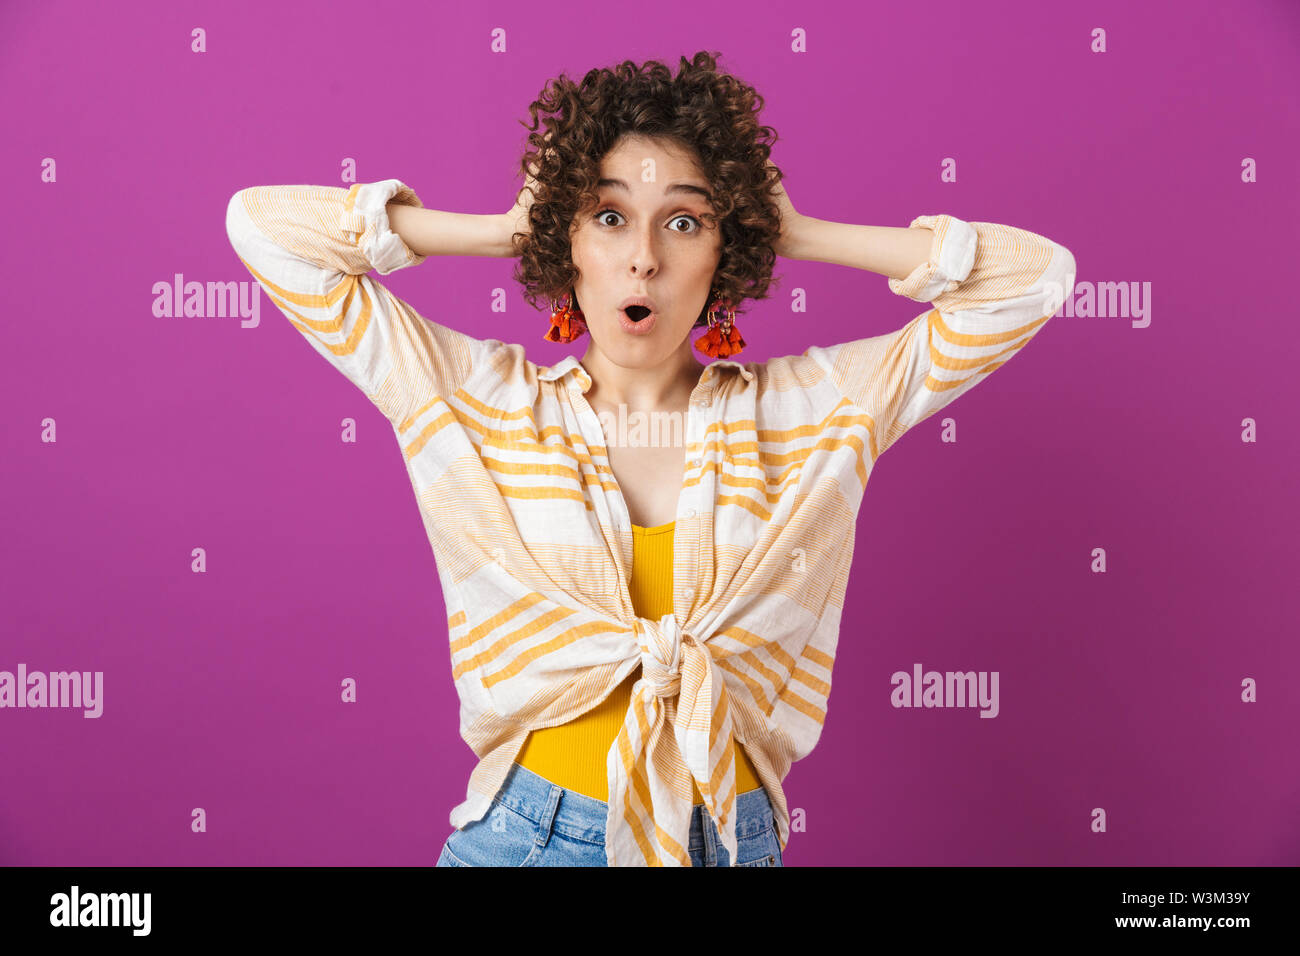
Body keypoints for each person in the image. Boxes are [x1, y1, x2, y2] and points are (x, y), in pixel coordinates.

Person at [224, 50, 1076, 866]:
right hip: (529, 840)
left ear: (725, 251)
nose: (643, 256)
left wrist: (800, 231)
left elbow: (1034, 279)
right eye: (606, 217)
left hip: (730, 839)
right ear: (567, 247)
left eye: (683, 220)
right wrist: (500, 229)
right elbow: (262, 228)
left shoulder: (811, 413)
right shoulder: (476, 399)